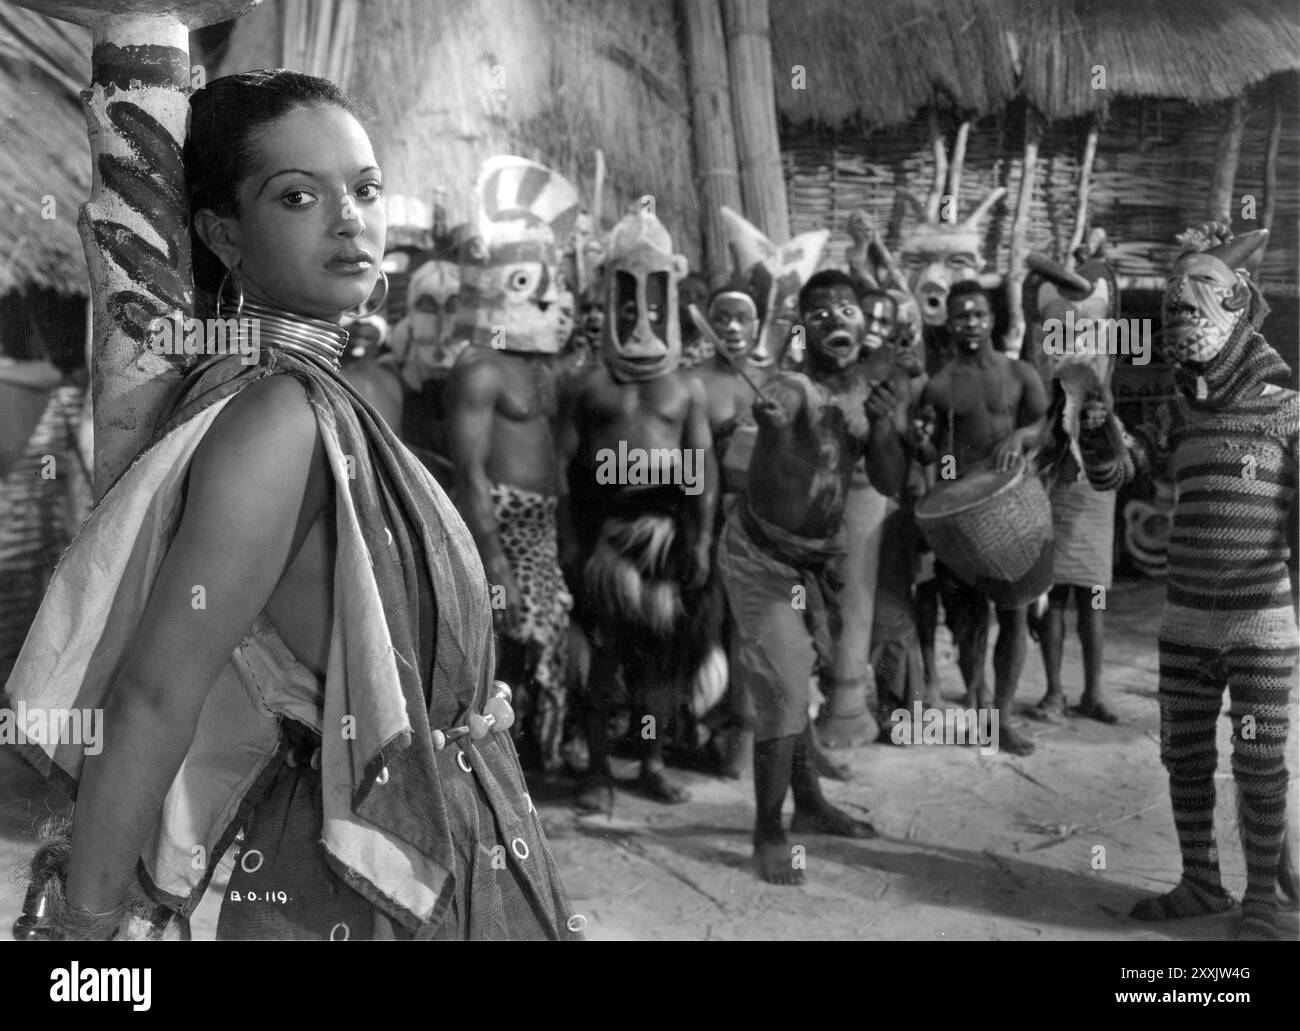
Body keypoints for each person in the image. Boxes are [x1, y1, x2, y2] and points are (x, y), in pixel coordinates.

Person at [5, 70, 579, 941]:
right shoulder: (277, 417)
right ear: (224, 235)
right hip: (345, 884)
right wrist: (81, 939)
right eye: (300, 196)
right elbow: (153, 698)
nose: (350, 218)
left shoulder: (321, 400)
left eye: (366, 189)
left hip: (436, 841)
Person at [1078, 223, 1296, 940]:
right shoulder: (1179, 414)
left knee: (1259, 756)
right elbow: (1116, 475)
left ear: (1239, 316)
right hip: (1184, 623)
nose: (1183, 328)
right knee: (1186, 751)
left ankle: (1261, 896)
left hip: (1259, 619)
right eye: (1174, 315)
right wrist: (1098, 433)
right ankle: (1202, 879)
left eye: (1198, 313)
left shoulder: (1287, 412)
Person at [716, 269, 904, 885]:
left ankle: (810, 806)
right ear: (802, 327)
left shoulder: (869, 392)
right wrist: (772, 416)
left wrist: (881, 428)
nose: (834, 321)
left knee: (798, 686)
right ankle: (768, 831)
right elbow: (780, 405)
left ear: (864, 320)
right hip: (758, 560)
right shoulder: (790, 384)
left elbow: (890, 481)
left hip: (812, 562)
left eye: (845, 310)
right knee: (787, 690)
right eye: (818, 314)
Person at [563, 204, 717, 813]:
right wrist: (571, 546)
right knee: (601, 659)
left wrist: (701, 543)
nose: (639, 313)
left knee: (659, 665)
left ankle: (650, 761)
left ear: (670, 301)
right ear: (609, 299)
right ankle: (598, 769)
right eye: (627, 300)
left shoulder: (686, 387)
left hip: (665, 539)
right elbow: (564, 473)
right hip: (606, 535)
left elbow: (702, 473)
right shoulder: (587, 385)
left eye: (653, 303)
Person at [445, 155, 580, 773]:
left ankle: (533, 765)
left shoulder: (538, 367)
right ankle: (491, 774)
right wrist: (493, 554)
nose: (549, 295)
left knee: (543, 637)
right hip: (499, 523)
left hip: (541, 527)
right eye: (532, 282)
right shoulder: (479, 367)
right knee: (504, 645)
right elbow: (469, 472)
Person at [919, 279, 1047, 756]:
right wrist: (921, 442)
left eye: (976, 314)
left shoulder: (1020, 374)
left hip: (1010, 509)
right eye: (960, 316)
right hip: (958, 512)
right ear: (948, 323)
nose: (969, 323)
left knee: (1014, 611)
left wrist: (1024, 438)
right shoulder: (940, 383)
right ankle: (979, 706)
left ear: (991, 318)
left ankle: (1003, 716)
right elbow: (933, 448)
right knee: (967, 617)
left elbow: (1046, 426)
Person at [1020, 251, 1122, 724]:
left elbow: (1111, 418)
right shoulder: (1039, 372)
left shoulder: (1103, 369)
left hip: (1094, 484)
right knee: (1054, 594)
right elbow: (1032, 417)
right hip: (1050, 476)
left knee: (1093, 596)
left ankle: (1093, 692)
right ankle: (1055, 692)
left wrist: (1104, 425)